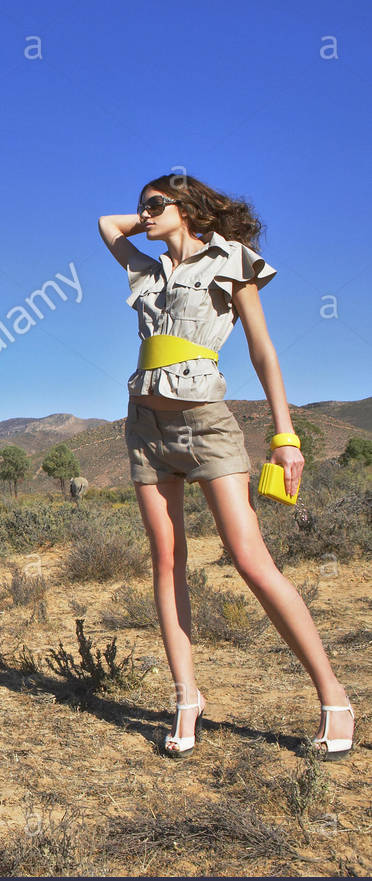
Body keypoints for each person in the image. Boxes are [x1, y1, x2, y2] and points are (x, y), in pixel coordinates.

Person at [97, 175, 355, 760]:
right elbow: (105, 226)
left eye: (155, 204)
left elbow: (263, 350)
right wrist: (154, 221)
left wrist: (285, 434)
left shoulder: (231, 261)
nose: (142, 213)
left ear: (185, 209)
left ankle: (333, 695)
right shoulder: (147, 269)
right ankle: (187, 697)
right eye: (142, 205)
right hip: (145, 427)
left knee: (249, 560)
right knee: (166, 561)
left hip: (206, 424)